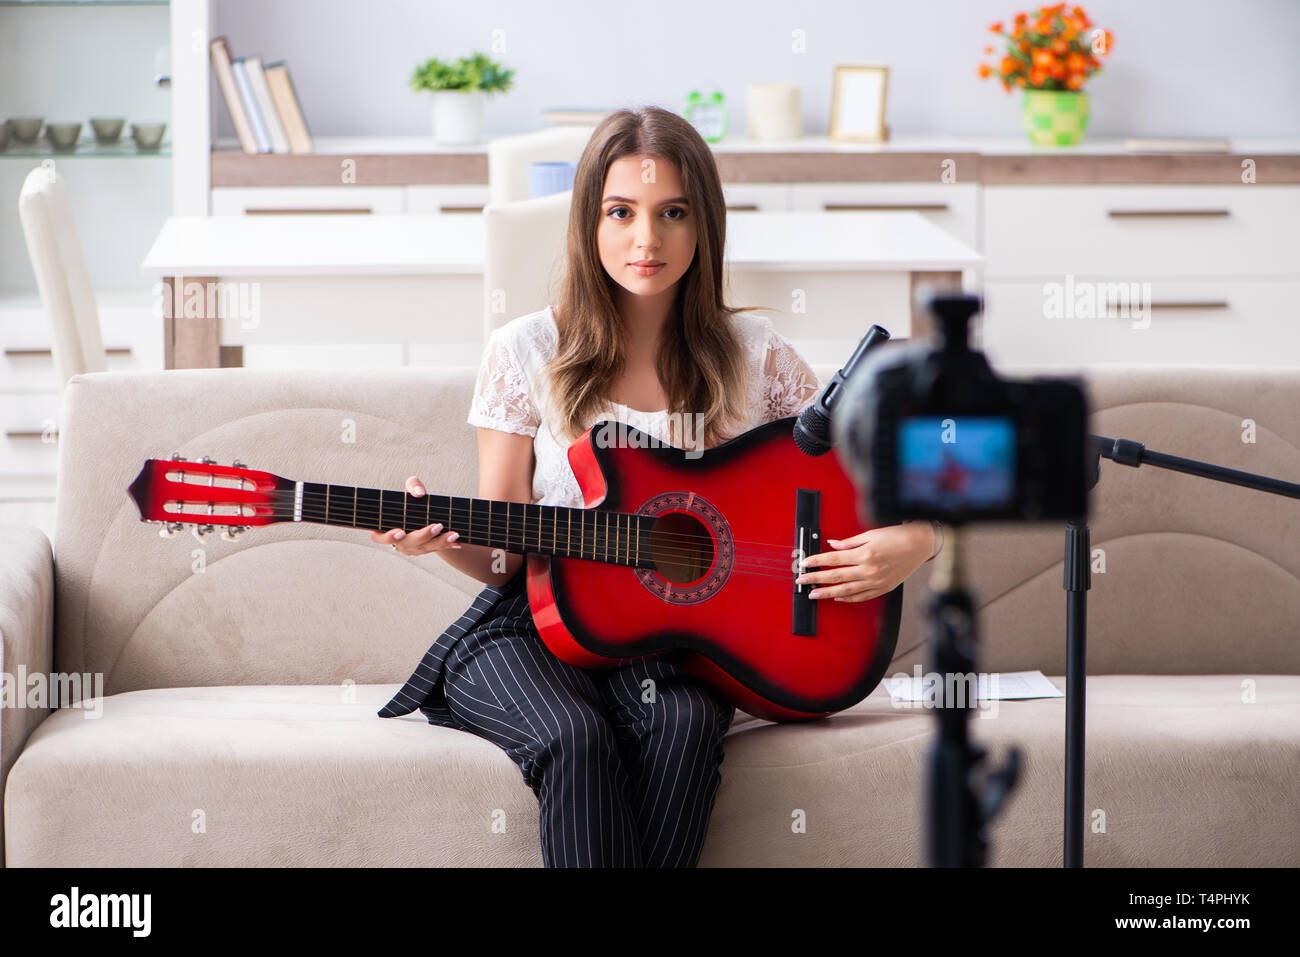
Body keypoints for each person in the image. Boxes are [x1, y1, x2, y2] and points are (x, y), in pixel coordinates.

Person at [373, 106, 942, 867]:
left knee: (682, 725)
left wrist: (917, 536)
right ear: (588, 222)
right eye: (622, 212)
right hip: (533, 623)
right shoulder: (524, 350)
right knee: (573, 737)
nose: (648, 239)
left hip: (673, 640)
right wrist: (439, 542)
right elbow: (504, 548)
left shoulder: (755, 354)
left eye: (673, 212)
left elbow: (879, 468)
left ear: (703, 223)